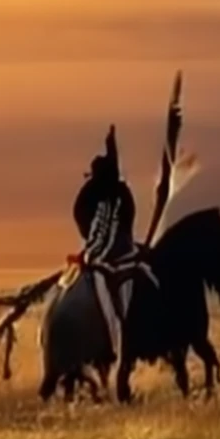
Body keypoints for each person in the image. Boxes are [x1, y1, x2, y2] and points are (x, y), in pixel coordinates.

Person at [69, 126, 157, 362]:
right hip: (113, 255)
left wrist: (89, 242)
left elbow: (82, 219)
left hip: (97, 252)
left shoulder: (92, 194)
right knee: (148, 280)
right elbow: (125, 223)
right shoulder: (117, 194)